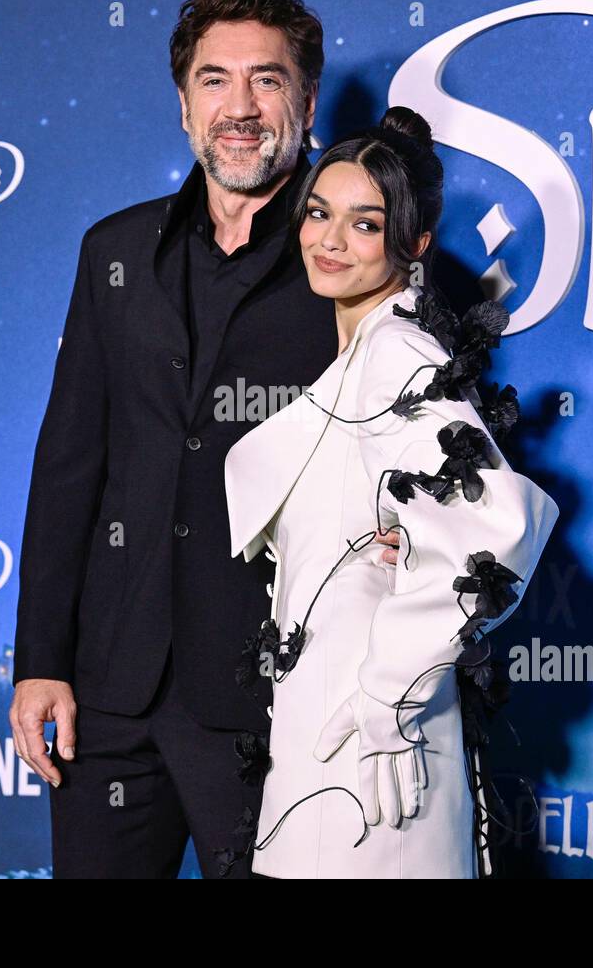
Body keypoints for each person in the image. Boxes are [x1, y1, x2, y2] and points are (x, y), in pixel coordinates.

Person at [9, 0, 400, 878]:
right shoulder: (114, 253)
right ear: (184, 103)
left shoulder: (352, 260)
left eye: (267, 81)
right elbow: (69, 467)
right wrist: (41, 659)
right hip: (109, 698)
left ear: (305, 102)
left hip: (276, 707)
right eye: (216, 80)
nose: (241, 108)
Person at [223, 106, 561, 878]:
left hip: (369, 762)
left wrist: (387, 693)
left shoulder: (398, 357)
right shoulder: (368, 354)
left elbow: (495, 526)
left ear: (414, 245)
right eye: (318, 212)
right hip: (338, 754)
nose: (329, 240)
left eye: (364, 224)